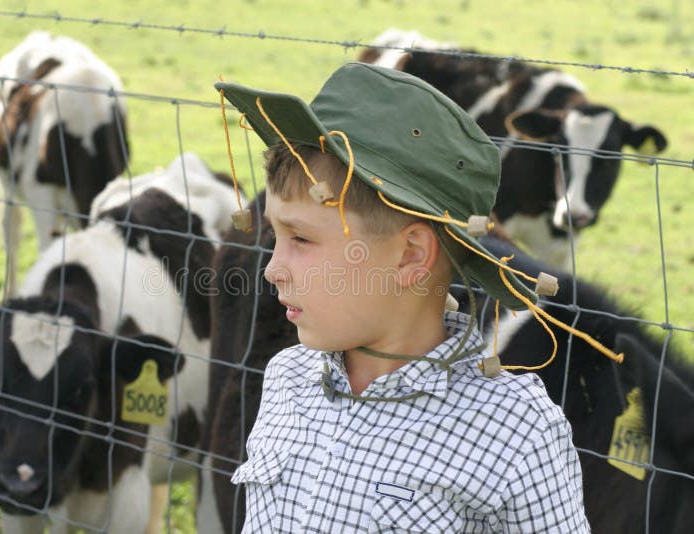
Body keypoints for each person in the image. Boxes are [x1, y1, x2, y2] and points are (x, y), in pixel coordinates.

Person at [215, 62, 592, 532]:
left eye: (303, 240)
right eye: (275, 235)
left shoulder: (514, 432)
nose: (272, 269)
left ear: (411, 254)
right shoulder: (287, 379)